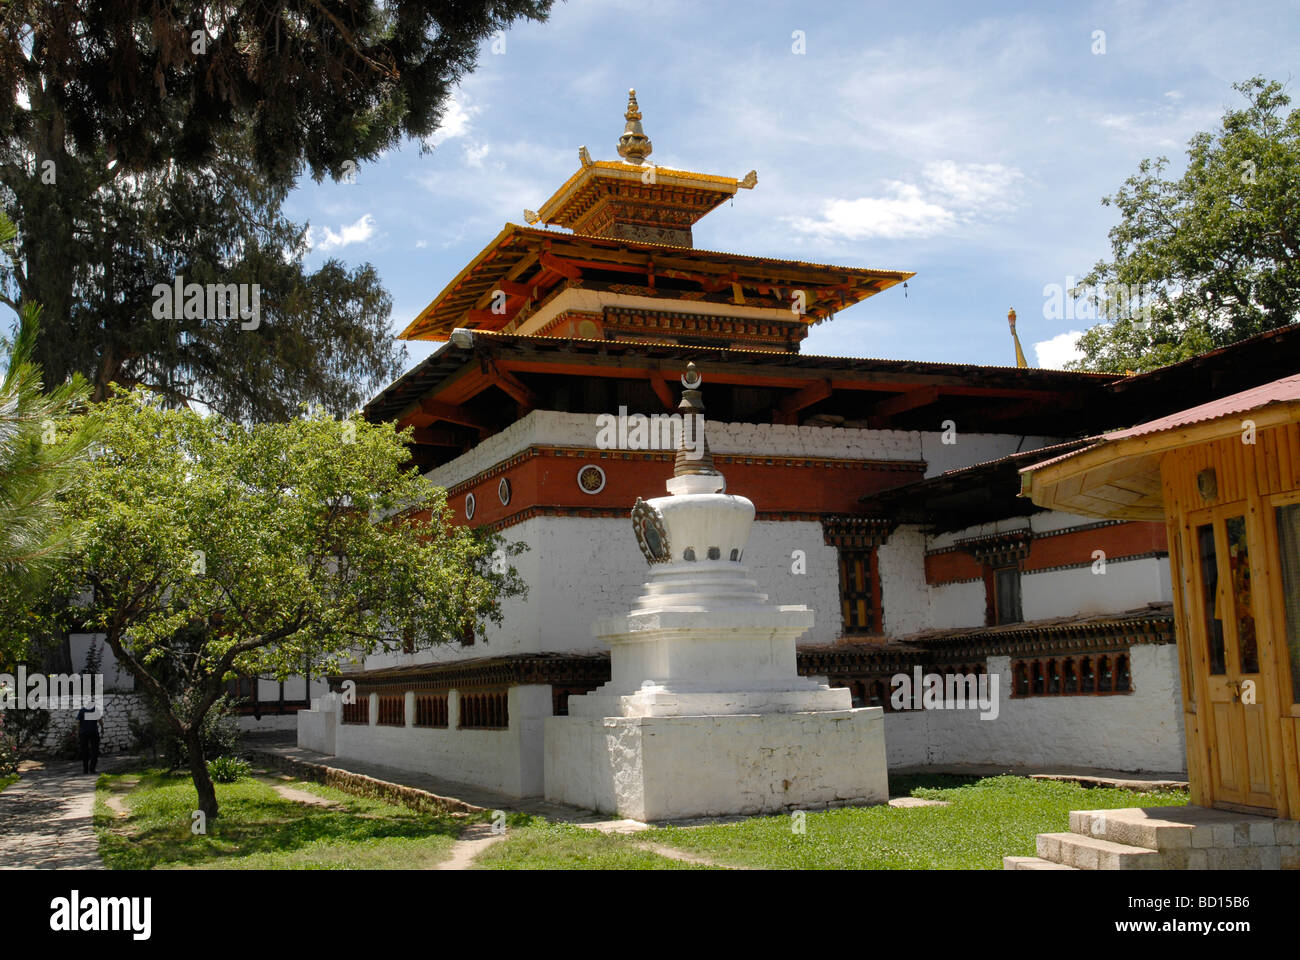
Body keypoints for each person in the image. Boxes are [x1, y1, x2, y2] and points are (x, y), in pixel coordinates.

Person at [76, 701, 103, 775]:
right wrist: (102, 728)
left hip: (83, 733)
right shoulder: (95, 710)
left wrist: (78, 731)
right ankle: (92, 769)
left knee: (84, 751)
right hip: (93, 732)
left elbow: (78, 722)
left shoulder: (82, 710)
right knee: (95, 750)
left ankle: (85, 769)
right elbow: (100, 720)